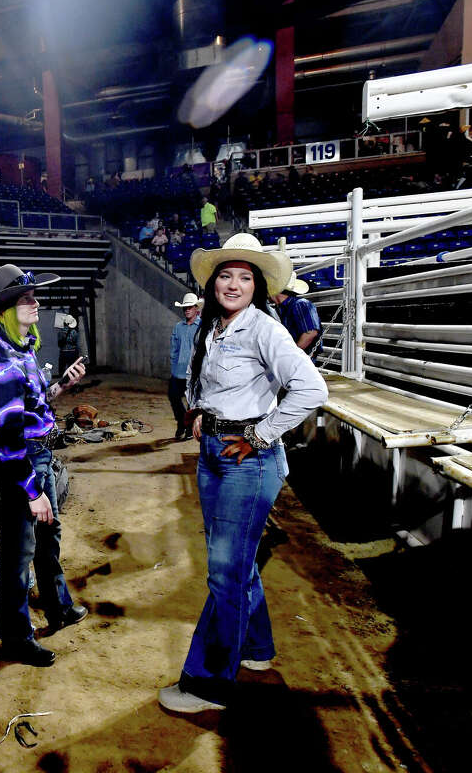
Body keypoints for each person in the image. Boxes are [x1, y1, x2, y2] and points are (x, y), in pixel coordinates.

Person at [158, 233, 326, 713]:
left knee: (225, 572)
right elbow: (208, 384)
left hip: (248, 459)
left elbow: (311, 390)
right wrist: (197, 414)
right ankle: (255, 650)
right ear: (213, 284)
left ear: (257, 286)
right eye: (225, 276)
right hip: (216, 451)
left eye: (244, 277)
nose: (233, 285)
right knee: (239, 564)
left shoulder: (264, 329)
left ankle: (208, 685)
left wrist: (258, 436)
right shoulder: (211, 329)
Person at [0, 265, 88, 667]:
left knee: (47, 536)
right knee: (20, 552)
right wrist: (32, 490)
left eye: (34, 297)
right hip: (19, 461)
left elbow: (33, 408)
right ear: (5, 308)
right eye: (25, 299)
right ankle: (16, 636)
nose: (35, 304)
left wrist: (62, 386)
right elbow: (7, 437)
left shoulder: (22, 348)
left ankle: (58, 607)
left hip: (36, 454)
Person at [169, 293, 201, 440]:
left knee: (191, 401)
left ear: (196, 309)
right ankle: (182, 423)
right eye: (185, 308)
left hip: (194, 372)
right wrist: (173, 363)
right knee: (173, 396)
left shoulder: (202, 326)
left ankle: (188, 427)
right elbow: (174, 348)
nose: (187, 310)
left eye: (189, 307)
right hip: (178, 370)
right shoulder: (178, 327)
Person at [271, 274, 321, 354]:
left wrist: (291, 355)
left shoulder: (300, 304)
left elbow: (310, 333)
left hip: (301, 358)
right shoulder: (281, 307)